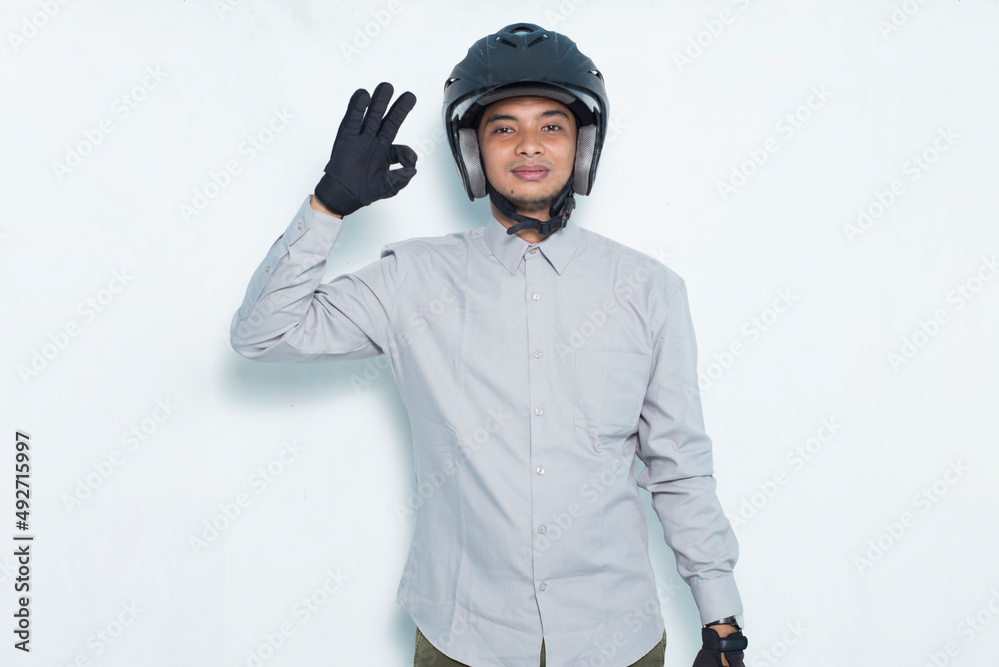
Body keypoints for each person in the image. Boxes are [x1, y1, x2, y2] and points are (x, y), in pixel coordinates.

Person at [230, 22, 748, 667]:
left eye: (551, 126)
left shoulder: (648, 289)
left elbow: (679, 466)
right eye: (504, 128)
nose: (528, 145)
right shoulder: (409, 279)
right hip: (461, 637)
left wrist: (719, 617)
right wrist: (327, 206)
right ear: (473, 151)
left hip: (615, 639)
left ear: (582, 145)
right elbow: (262, 334)